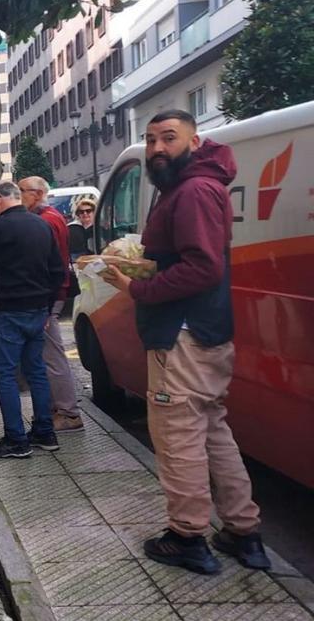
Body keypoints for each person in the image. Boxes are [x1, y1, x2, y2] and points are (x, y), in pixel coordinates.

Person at [102, 109, 267, 575]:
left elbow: (201, 267)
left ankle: (188, 537)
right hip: (205, 330)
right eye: (151, 139)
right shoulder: (195, 185)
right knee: (214, 431)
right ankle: (243, 531)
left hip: (182, 335)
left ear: (195, 143)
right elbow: (196, 261)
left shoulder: (192, 190)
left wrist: (136, 287)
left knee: (178, 438)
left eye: (168, 138)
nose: (156, 148)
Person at [0, 181, 64, 458]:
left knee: (5, 374)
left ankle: (16, 439)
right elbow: (58, 271)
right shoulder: (42, 225)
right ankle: (45, 432)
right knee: (36, 371)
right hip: (38, 310)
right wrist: (47, 307)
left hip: (10, 310)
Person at [19, 177, 84, 433]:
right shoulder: (50, 217)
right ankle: (58, 409)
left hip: (48, 295)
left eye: (21, 191)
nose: (18, 195)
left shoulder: (46, 221)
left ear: (36, 194)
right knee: (47, 353)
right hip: (49, 293)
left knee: (51, 355)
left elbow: (47, 263)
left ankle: (68, 412)